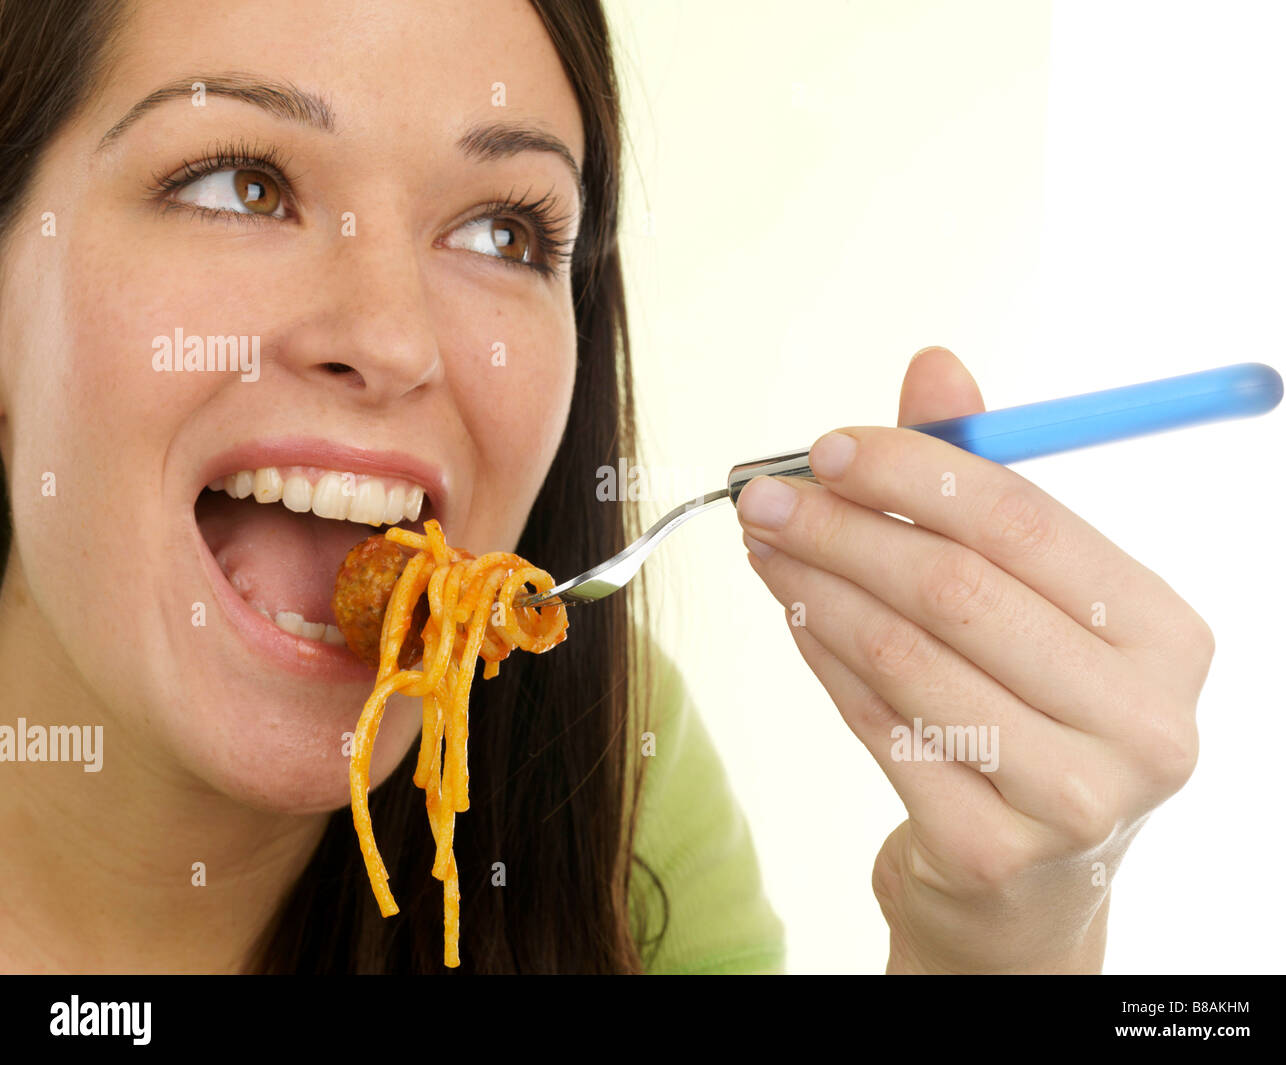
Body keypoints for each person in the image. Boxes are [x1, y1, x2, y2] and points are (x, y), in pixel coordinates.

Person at [0, 0, 1212, 975]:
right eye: (240, 183)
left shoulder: (610, 768)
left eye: (500, 231)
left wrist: (996, 947)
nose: (393, 337)